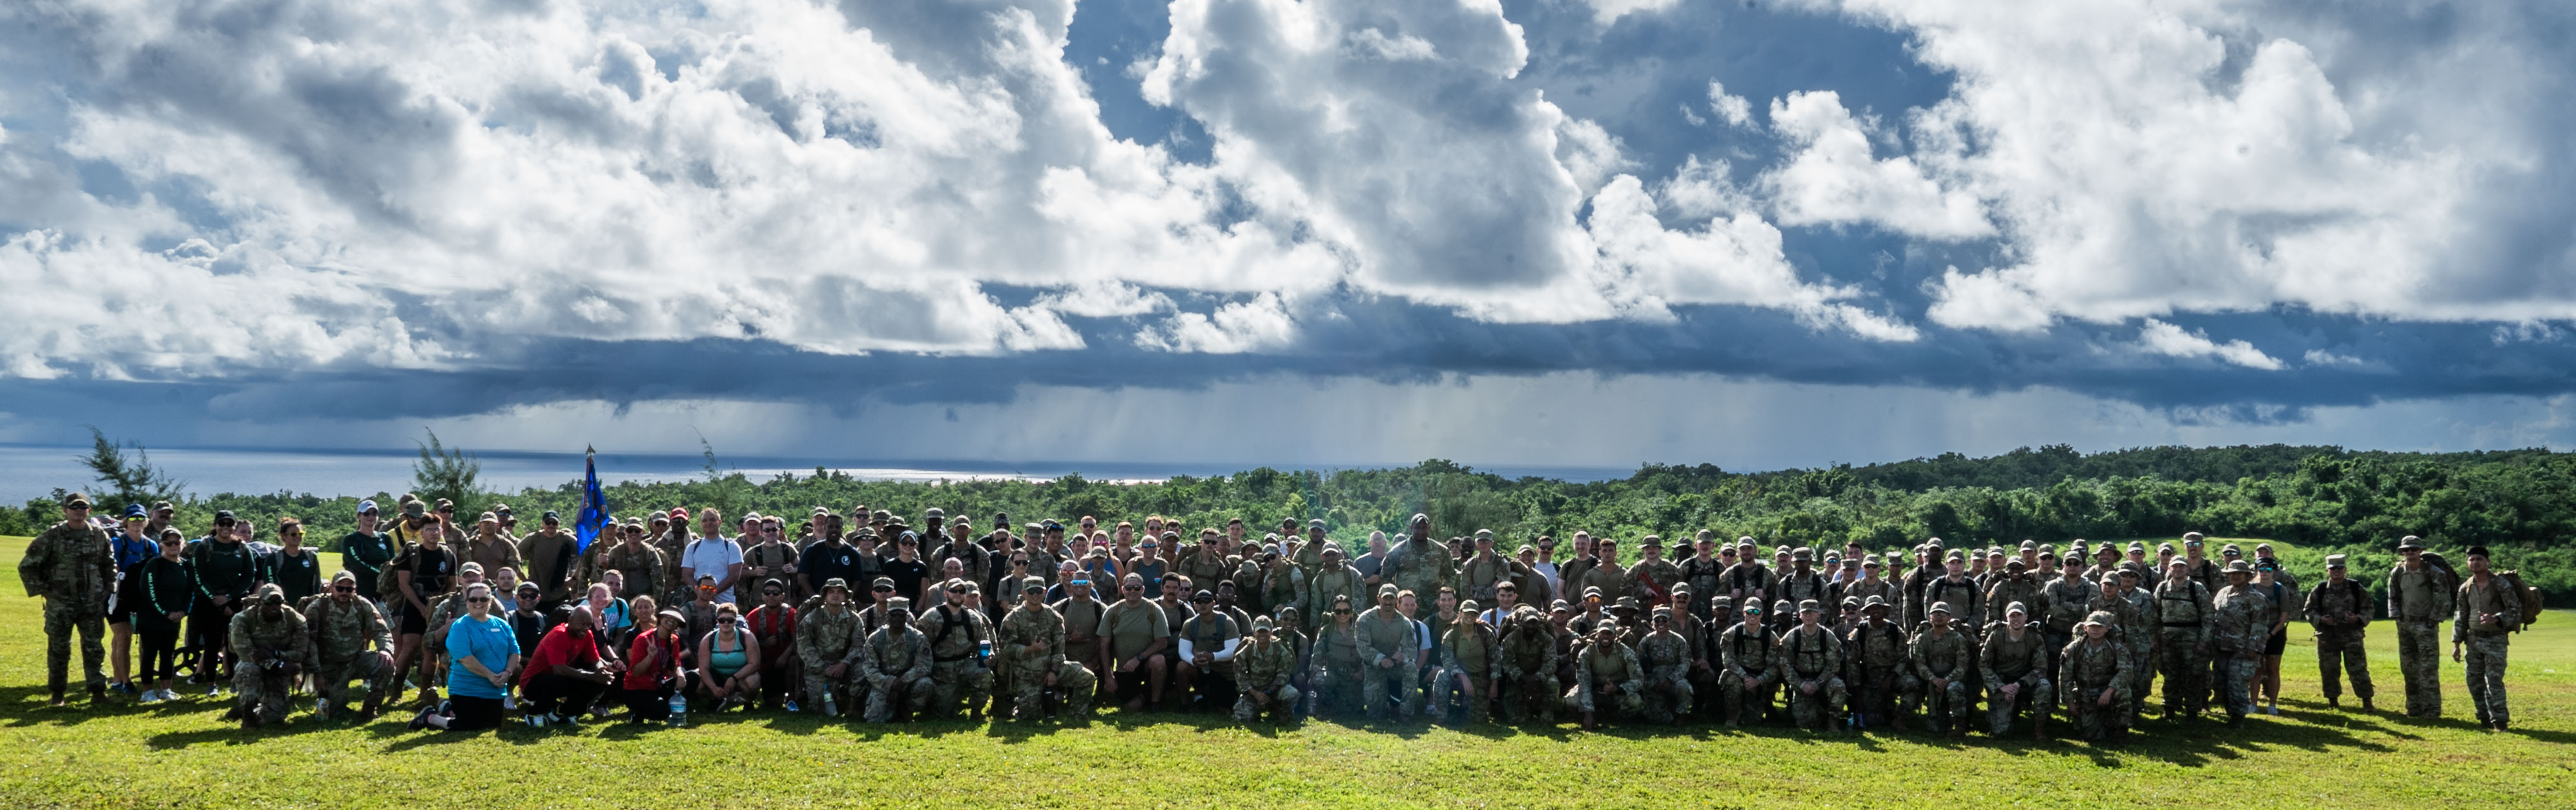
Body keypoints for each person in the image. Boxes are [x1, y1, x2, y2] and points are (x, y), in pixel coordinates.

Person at [19, 492, 115, 707]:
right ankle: (57, 694)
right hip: (61, 603)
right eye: (74, 507)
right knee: (59, 649)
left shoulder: (100, 535)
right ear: (65, 511)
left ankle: (98, 692)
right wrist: (44, 591)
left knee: (94, 648)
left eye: (83, 507)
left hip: (91, 603)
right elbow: (27, 566)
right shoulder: (52, 537)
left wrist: (109, 587)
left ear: (89, 511)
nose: (79, 511)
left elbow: (109, 564)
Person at [411, 582, 519, 732]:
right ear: (467, 602)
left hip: (496, 687)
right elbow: (465, 658)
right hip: (467, 688)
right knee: (469, 725)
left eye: (484, 599)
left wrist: (507, 673)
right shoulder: (460, 626)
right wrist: (490, 675)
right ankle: (430, 717)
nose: (479, 603)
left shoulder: (502, 624)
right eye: (473, 599)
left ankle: (447, 709)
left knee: (492, 724)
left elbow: (515, 652)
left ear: (491, 601)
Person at [1000, 575, 1095, 722]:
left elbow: (1059, 649)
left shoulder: (1053, 616)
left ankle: (1078, 714)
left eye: (1039, 591)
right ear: (1024, 593)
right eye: (1031, 592)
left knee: (1087, 677)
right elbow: (1006, 649)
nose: (1035, 595)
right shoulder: (1012, 619)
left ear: (1045, 592)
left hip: (1052, 668)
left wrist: (1054, 671)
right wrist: (1029, 649)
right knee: (1028, 717)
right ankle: (1021, 705)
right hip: (1027, 673)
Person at [306, 571, 397, 722]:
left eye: (349, 589)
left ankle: (370, 708)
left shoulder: (362, 605)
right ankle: (332, 701)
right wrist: (317, 673)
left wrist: (385, 650)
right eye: (340, 588)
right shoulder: (317, 608)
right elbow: (309, 643)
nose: (344, 593)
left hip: (356, 659)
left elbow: (381, 630)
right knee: (335, 714)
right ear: (331, 589)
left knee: (386, 665)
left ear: (355, 590)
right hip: (329, 666)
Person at [185, 510, 259, 691]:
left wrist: (229, 597)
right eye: (222, 524)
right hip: (208, 602)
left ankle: (235, 680)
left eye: (229, 524)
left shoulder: (242, 548)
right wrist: (214, 598)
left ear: (234, 527)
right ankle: (211, 683)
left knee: (236, 643)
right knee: (212, 643)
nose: (225, 528)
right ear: (215, 525)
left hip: (234, 600)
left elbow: (249, 577)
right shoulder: (204, 547)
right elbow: (198, 577)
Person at [2451, 545, 2522, 731]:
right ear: (2467, 563)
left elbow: (2516, 611)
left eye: (2479, 559)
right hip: (2473, 640)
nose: (2475, 562)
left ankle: (2499, 721)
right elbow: (2461, 615)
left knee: (2493, 681)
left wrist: (2497, 618)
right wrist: (2457, 643)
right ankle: (2483, 717)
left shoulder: (2501, 585)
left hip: (2495, 639)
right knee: (2473, 680)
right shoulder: (2465, 588)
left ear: (2488, 562)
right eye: (2471, 559)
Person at [390, 516, 458, 706]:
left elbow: (453, 584)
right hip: (414, 605)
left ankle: (424, 694)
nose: (434, 533)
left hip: (437, 606)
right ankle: (396, 691)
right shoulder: (411, 553)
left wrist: (441, 607)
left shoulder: (448, 555)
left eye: (437, 529)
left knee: (430, 650)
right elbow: (404, 584)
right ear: (422, 532)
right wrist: (421, 608)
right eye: (429, 530)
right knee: (410, 646)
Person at [228, 583, 314, 729]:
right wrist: (276, 664)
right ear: (260, 602)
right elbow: (246, 653)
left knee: (275, 717)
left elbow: (299, 653)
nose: (274, 607)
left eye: (278, 602)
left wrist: (276, 655)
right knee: (249, 669)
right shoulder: (242, 619)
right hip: (255, 665)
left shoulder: (296, 619)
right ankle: (248, 711)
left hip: (281, 667)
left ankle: (255, 710)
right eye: (269, 602)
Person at [520, 605, 621, 729]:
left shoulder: (587, 635)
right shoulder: (559, 634)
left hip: (558, 679)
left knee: (602, 681)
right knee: (559, 681)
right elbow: (559, 669)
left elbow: (595, 660)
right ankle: (534, 713)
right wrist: (592, 676)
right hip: (532, 683)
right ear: (570, 620)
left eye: (589, 625)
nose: (586, 629)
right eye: (582, 624)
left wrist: (601, 672)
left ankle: (563, 712)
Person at [2385, 535, 2453, 718]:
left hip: (2426, 624)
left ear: (2421, 551)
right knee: (2408, 668)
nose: (2410, 553)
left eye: (2414, 549)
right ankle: (2414, 709)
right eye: (2406, 550)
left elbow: (2444, 598)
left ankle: (2432, 711)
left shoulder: (2434, 572)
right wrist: (2397, 618)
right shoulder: (2397, 572)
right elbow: (2393, 596)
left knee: (2429, 670)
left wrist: (2433, 620)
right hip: (2405, 624)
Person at [2305, 554, 2375, 711]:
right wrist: (2320, 620)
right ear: (2327, 570)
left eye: (2340, 568)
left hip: (2352, 637)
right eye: (2333, 569)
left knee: (2358, 669)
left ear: (2345, 569)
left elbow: (2369, 608)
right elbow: (2309, 610)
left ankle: (2367, 701)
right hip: (2327, 638)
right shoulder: (2320, 589)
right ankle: (2333, 701)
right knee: (2329, 669)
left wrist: (2358, 618)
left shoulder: (2356, 588)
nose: (2336, 571)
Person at [915, 580, 994, 720]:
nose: (958, 594)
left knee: (985, 674)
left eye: (962, 591)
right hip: (941, 670)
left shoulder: (973, 618)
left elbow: (984, 642)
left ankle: (976, 712)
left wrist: (986, 657)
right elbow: (919, 647)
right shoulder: (931, 617)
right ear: (946, 593)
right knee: (943, 716)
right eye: (954, 591)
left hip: (965, 665)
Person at [132, 529, 194, 704]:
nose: (173, 546)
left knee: (168, 655)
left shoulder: (186, 566)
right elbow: (149, 592)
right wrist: (166, 613)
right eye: (169, 543)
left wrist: (183, 612)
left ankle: (166, 689)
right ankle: (148, 691)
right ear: (162, 545)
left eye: (177, 542)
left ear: (182, 544)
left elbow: (191, 592)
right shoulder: (155, 565)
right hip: (151, 619)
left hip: (174, 620)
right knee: (149, 655)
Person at [1098, 572, 1171, 711]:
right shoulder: (1112, 612)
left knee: (1159, 661)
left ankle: (1155, 703)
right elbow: (1104, 646)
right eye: (1129, 587)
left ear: (1143, 590)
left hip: (1146, 664)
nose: (1133, 591)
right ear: (1123, 589)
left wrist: (1139, 658)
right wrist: (1109, 676)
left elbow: (1162, 642)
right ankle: (1146, 697)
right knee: (1129, 707)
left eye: (1137, 588)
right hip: (1124, 668)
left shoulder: (1154, 610)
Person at [107, 505, 158, 696]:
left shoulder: (150, 545)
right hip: (117, 596)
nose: (137, 523)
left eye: (141, 519)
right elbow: (113, 569)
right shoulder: (118, 543)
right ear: (126, 521)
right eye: (133, 519)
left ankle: (117, 680)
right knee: (123, 637)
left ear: (146, 521)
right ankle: (126, 681)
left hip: (139, 597)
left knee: (119, 639)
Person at [2059, 610, 2134, 744]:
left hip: (2107, 690)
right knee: (2092, 737)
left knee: (2123, 692)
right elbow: (2065, 677)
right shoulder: (2074, 649)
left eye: (2099, 627)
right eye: (2092, 626)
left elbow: (2126, 671)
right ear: (2086, 628)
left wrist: (2110, 690)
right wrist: (2070, 703)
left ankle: (2122, 730)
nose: (2095, 630)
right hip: (2085, 693)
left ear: (2107, 629)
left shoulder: (2117, 648)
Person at [2154, 556, 2214, 719]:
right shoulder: (2162, 588)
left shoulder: (2197, 589)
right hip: (2168, 639)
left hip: (2192, 638)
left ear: (2187, 570)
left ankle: (2193, 710)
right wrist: (2156, 639)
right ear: (2170, 569)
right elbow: (2155, 616)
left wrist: (2204, 642)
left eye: (2182, 567)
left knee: (2193, 676)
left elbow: (2208, 618)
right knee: (2170, 676)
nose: (2178, 570)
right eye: (2175, 567)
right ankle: (2169, 709)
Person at [2209, 560, 2266, 725]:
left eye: (2239, 573)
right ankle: (2230, 711)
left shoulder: (2255, 598)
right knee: (2222, 681)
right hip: (2221, 647)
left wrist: (2253, 647)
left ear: (2247, 576)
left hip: (2242, 649)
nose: (2235, 576)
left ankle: (2238, 717)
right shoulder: (2222, 593)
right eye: (2232, 573)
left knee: (2238, 683)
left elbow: (2259, 625)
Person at [1981, 601, 2050, 740]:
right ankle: (2007, 715)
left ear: (2026, 617)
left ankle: (2040, 730)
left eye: (2019, 615)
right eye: (2012, 616)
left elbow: (2040, 668)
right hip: (2002, 683)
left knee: (2045, 686)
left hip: (2024, 682)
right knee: (2000, 733)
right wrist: (2001, 687)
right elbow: (1984, 665)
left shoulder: (2035, 638)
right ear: (2007, 618)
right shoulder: (1996, 636)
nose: (2015, 619)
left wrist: (2019, 684)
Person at [1775, 600, 1846, 733]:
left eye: (1811, 613)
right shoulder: (1791, 637)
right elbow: (1785, 665)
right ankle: (1817, 713)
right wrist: (1802, 685)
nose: (1808, 616)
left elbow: (1833, 665)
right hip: (1802, 682)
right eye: (1805, 613)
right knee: (1806, 724)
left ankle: (1833, 721)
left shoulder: (1827, 636)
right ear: (1800, 616)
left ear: (1818, 614)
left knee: (1838, 687)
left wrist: (1817, 684)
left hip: (1824, 681)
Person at [860, 598, 932, 723]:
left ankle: (907, 709)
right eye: (894, 614)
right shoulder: (875, 639)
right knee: (875, 721)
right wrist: (890, 684)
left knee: (926, 685)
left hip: (909, 683)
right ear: (888, 616)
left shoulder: (918, 638)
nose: (898, 618)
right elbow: (869, 669)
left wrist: (902, 682)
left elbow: (924, 665)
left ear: (907, 616)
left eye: (902, 615)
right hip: (884, 684)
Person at [1908, 602, 1974, 737]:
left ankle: (1960, 726)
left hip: (1953, 680)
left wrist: (1946, 681)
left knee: (1955, 689)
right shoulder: (1922, 639)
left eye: (1943, 614)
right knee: (1935, 728)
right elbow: (1920, 664)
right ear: (1930, 617)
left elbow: (1962, 666)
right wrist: (1933, 679)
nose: (1939, 616)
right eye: (1935, 614)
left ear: (1949, 618)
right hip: (1930, 680)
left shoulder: (1958, 639)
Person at [1563, 620, 1642, 730]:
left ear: (1615, 636)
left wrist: (1618, 689)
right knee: (1571, 701)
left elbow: (1639, 678)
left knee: (1636, 702)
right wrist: (1588, 713)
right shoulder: (1586, 653)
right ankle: (1592, 716)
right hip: (1593, 690)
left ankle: (1615, 717)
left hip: (1617, 691)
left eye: (1609, 634)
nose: (1606, 637)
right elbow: (1584, 684)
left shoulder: (1625, 652)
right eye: (1603, 633)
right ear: (1597, 635)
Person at [1846, 596, 1906, 731]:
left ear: (1884, 610)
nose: (1875, 611)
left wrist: (1891, 678)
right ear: (1867, 612)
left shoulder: (1895, 631)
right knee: (1873, 721)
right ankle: (1885, 709)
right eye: (1872, 608)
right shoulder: (1859, 633)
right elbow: (1852, 663)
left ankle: (1900, 717)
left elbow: (1904, 659)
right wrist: (1858, 692)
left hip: (1892, 677)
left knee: (1912, 684)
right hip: (1870, 680)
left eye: (1878, 607)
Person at [621, 611, 688, 724]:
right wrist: (650, 657)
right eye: (668, 617)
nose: (671, 620)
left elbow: (676, 664)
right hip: (637, 690)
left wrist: (681, 675)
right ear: (660, 619)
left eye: (676, 620)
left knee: (692, 677)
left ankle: (667, 707)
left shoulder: (674, 640)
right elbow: (636, 672)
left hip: (659, 685)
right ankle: (638, 712)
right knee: (662, 711)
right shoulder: (643, 639)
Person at [1716, 600, 1775, 728]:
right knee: (1731, 680)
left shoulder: (1770, 637)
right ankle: (1731, 717)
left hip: (1758, 680)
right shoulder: (1732, 634)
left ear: (1762, 614)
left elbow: (1774, 667)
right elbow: (1728, 661)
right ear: (1744, 613)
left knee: (1752, 722)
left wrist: (1758, 680)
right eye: (1749, 612)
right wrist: (1745, 677)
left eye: (1756, 612)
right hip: (1739, 675)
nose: (1752, 615)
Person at [696, 602, 762, 712]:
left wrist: (734, 678)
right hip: (717, 677)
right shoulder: (708, 640)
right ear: (717, 622)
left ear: (736, 621)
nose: (726, 623)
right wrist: (714, 688)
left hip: (741, 677)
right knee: (695, 679)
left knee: (753, 681)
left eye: (730, 620)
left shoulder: (747, 637)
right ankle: (716, 698)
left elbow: (755, 664)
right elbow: (703, 669)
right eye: (722, 620)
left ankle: (748, 702)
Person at [1233, 615, 1299, 724]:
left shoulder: (1281, 650)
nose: (1262, 634)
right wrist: (1256, 694)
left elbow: (1283, 675)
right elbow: (1240, 675)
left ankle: (1279, 709)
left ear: (1271, 632)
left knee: (1292, 694)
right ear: (1254, 632)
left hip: (1274, 691)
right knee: (1242, 717)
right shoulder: (1246, 651)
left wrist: (1267, 693)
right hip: (1253, 692)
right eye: (1259, 631)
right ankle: (1257, 710)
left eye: (1266, 631)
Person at [1634, 605, 1693, 725]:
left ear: (1670, 622)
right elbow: (1638, 665)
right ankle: (1666, 714)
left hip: (1674, 679)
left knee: (1683, 687)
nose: (1661, 623)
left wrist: (1671, 680)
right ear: (1653, 622)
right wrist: (1652, 683)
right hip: (1653, 681)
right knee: (1657, 719)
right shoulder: (1646, 641)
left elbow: (1685, 663)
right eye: (1657, 620)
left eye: (1664, 620)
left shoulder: (1679, 641)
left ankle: (1681, 715)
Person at [745, 580, 798, 710]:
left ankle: (792, 696)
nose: (771, 596)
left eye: (776, 593)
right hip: (762, 663)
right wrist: (764, 644)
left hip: (784, 664)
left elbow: (797, 639)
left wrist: (784, 657)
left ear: (783, 596)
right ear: (762, 596)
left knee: (794, 660)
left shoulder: (792, 614)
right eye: (767, 593)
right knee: (772, 702)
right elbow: (746, 643)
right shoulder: (753, 616)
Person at [2253, 558, 2297, 714]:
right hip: (2255, 634)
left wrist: (2272, 633)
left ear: (2274, 572)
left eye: (2269, 570)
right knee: (2256, 669)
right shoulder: (2251, 588)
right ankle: (2253, 703)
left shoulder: (2280, 590)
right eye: (2261, 569)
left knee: (2273, 669)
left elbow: (2285, 615)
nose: (2265, 573)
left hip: (2276, 633)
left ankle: (2272, 704)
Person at [520, 512, 581, 611]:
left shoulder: (566, 539)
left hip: (560, 594)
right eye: (548, 523)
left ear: (559, 524)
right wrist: (524, 580)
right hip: (535, 595)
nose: (551, 525)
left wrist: (574, 579)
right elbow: (514, 557)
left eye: (554, 523)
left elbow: (585, 554)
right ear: (542, 524)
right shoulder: (534, 539)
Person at [266, 518, 325, 607]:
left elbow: (316, 583)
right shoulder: (274, 558)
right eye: (293, 534)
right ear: (284, 536)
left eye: (301, 534)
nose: (298, 537)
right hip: (280, 606)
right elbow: (270, 583)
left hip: (306, 606)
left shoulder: (311, 556)